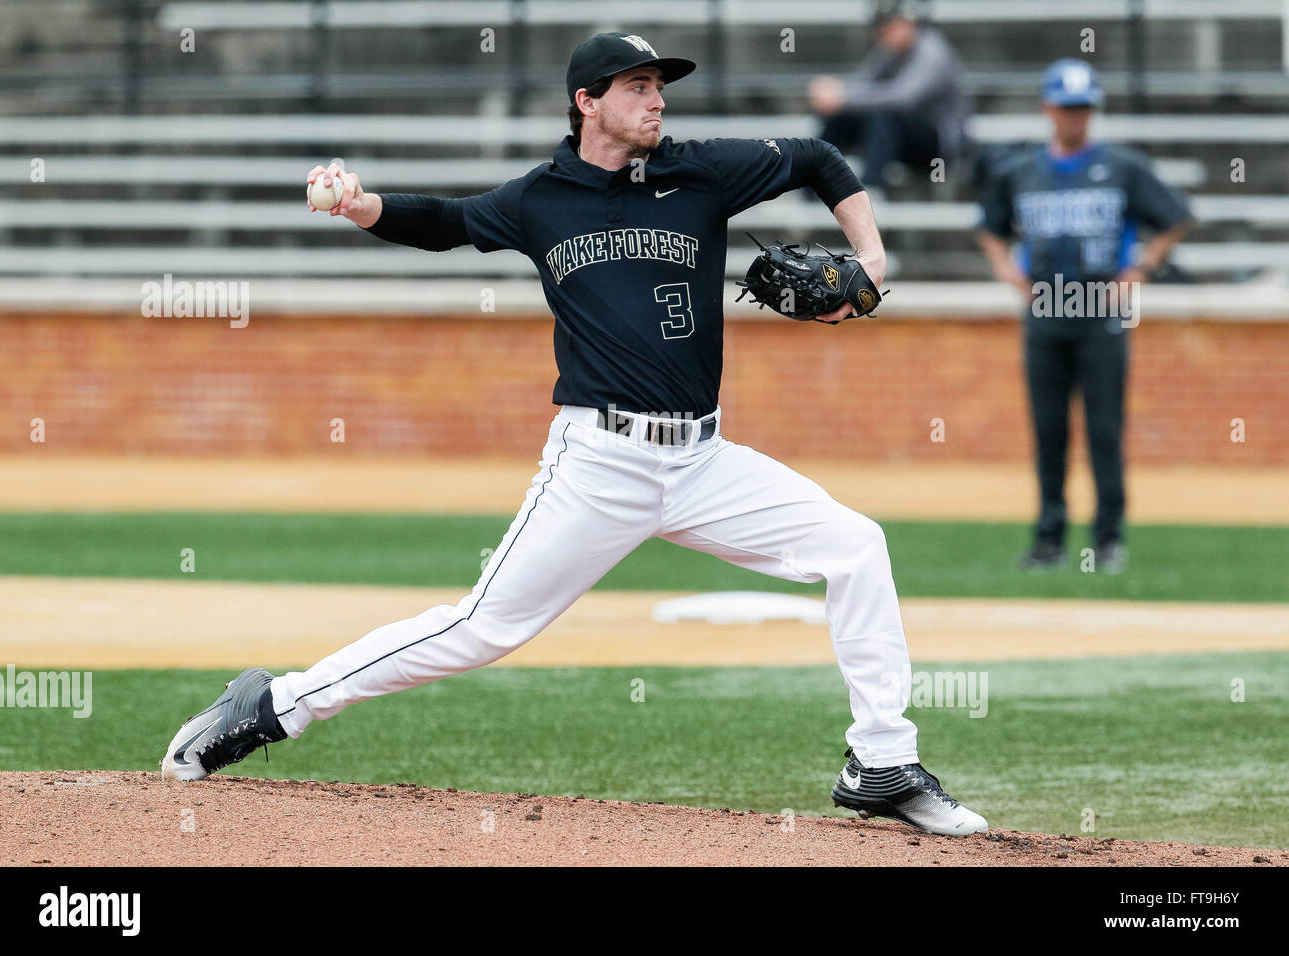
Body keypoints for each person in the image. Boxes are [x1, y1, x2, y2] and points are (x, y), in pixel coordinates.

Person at [161, 31, 988, 837]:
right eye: (637, 87)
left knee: (856, 546)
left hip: (703, 460)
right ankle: (274, 706)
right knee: (481, 629)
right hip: (599, 463)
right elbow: (446, 220)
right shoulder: (541, 198)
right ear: (587, 102)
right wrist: (360, 203)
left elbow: (816, 157)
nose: (656, 100)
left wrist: (871, 259)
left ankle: (880, 762)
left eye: (659, 86)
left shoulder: (699, 173)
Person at [975, 59, 1191, 573]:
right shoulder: (1022, 171)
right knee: (1049, 431)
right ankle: (1049, 539)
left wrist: (1140, 269)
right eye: (1068, 107)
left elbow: (1174, 218)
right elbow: (988, 224)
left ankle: (1108, 539)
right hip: (1046, 313)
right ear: (1049, 109)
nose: (1076, 117)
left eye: (1084, 108)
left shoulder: (1122, 166)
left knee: (1104, 430)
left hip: (1101, 313)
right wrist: (1007, 269)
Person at [806, 0, 970, 194]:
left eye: (890, 25)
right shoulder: (888, 50)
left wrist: (842, 96)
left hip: (939, 144)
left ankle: (871, 192)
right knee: (838, 118)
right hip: (900, 136)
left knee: (882, 116)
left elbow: (904, 97)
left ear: (910, 22)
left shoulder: (933, 52)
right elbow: (861, 84)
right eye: (881, 27)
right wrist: (835, 94)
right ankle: (811, 191)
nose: (883, 33)